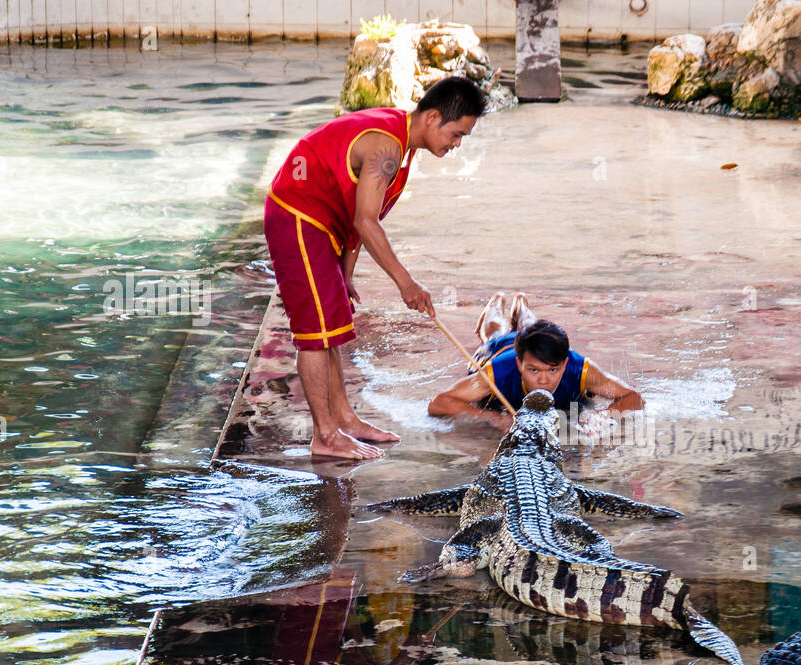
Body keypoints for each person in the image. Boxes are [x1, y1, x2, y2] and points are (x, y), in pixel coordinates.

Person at [264, 76, 487, 459]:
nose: (456, 145)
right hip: (297, 216)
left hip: (325, 225)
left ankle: (345, 420)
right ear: (433, 117)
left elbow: (356, 221)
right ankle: (325, 435)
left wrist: (344, 276)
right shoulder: (387, 145)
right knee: (315, 333)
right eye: (456, 134)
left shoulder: (402, 143)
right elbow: (367, 221)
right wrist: (407, 284)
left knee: (332, 324)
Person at [428, 320, 643, 431]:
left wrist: (602, 417)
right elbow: (438, 404)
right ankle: (496, 304)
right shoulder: (496, 374)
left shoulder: (580, 369)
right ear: (519, 364)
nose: (543, 380)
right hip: (498, 348)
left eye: (553, 370)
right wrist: (494, 418)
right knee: (494, 331)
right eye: (533, 370)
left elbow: (634, 398)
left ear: (564, 363)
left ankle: (521, 306)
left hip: (529, 344)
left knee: (526, 326)